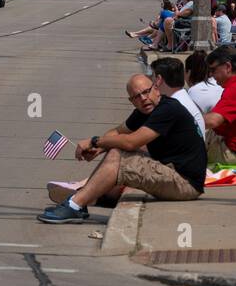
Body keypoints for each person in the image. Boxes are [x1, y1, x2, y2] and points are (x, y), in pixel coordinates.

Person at [39, 74, 205, 223]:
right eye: (137, 96)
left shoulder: (168, 109)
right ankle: (88, 197)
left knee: (122, 159)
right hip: (171, 173)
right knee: (115, 151)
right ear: (131, 101)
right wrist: (99, 148)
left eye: (146, 92)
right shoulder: (144, 110)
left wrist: (95, 141)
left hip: (185, 184)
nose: (143, 98)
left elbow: (131, 142)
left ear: (156, 88)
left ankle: (76, 204)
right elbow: (117, 132)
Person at [149, 56, 205, 138]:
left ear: (158, 79)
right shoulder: (182, 96)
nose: (151, 80)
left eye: (152, 76)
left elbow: (133, 142)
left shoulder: (173, 105)